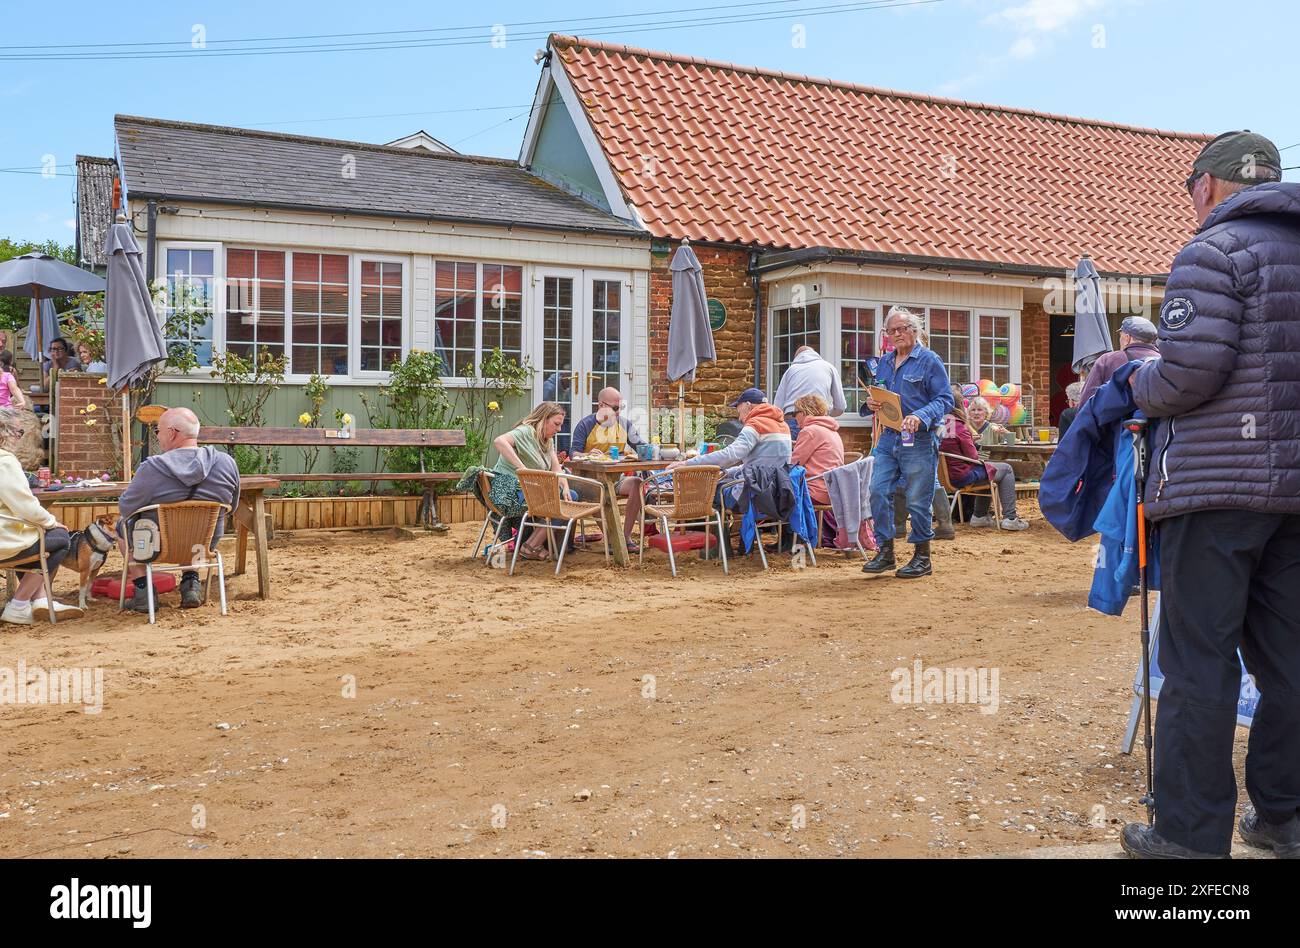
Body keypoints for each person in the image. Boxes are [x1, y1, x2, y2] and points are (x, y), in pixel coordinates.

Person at [1121, 131, 1300, 859]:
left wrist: (1134, 379)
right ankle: (1284, 818)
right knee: (1289, 660)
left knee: (1198, 660)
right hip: (1293, 493)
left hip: (1216, 489)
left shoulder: (1213, 251)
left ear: (1205, 187)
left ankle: (1190, 838)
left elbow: (1188, 376)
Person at [118, 407, 241, 612]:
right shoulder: (226, 463)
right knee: (193, 529)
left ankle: (143, 592)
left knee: (121, 525)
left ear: (172, 432)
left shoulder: (152, 468)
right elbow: (232, 507)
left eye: (157, 430)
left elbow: (126, 507)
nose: (156, 436)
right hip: (204, 544)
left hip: (155, 546)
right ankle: (191, 583)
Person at [862, 307, 953, 579]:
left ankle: (922, 557)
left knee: (917, 500)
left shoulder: (929, 360)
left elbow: (945, 399)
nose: (896, 334)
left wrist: (920, 415)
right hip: (888, 438)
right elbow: (875, 396)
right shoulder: (885, 362)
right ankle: (886, 551)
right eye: (891, 331)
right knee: (877, 491)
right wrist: (869, 404)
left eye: (902, 329)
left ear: (915, 330)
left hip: (920, 440)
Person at [0, 407, 84, 623]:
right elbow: (25, 507)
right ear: (3, 431)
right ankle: (19, 605)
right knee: (59, 538)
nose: (21, 438)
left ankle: (41, 600)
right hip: (4, 542)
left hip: (8, 534)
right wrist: (51, 521)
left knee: (39, 537)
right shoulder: (5, 461)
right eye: (19, 432)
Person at [569, 387, 649, 551]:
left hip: (614, 478)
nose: (618, 412)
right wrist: (587, 454)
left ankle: (624, 538)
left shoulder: (624, 424)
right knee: (601, 491)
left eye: (621, 407)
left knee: (637, 484)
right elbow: (573, 453)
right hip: (588, 481)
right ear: (600, 405)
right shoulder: (586, 425)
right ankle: (613, 538)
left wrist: (658, 451)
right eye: (615, 408)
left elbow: (642, 446)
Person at [492, 402, 571, 561]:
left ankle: (537, 544)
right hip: (511, 492)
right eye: (556, 424)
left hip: (527, 490)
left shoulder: (546, 440)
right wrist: (522, 469)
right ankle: (531, 546)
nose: (559, 429)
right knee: (565, 500)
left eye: (560, 425)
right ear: (543, 419)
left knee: (570, 494)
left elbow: (556, 469)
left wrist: (566, 486)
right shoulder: (526, 431)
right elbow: (499, 441)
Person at [940, 397, 1028, 531]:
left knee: (989, 469)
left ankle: (979, 517)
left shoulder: (940, 426)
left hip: (944, 477)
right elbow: (973, 456)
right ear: (961, 408)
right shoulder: (960, 427)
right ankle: (1010, 518)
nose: (974, 413)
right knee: (1007, 469)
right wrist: (971, 441)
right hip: (961, 475)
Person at [1077, 316, 1160, 405]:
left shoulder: (1107, 360)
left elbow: (1088, 398)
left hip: (1115, 418)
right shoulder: (1165, 360)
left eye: (1121, 336)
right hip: (1157, 417)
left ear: (1127, 338)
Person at [772, 345, 846, 440]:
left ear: (797, 357)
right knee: (818, 453)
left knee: (793, 454)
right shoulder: (829, 367)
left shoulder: (790, 371)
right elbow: (840, 406)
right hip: (819, 421)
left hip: (792, 420)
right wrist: (825, 410)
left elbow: (777, 408)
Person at [789, 393, 843, 506]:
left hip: (813, 491)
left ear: (803, 413)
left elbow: (793, 464)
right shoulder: (832, 431)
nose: (793, 417)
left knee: (769, 497)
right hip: (832, 492)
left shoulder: (809, 431)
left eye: (794, 413)